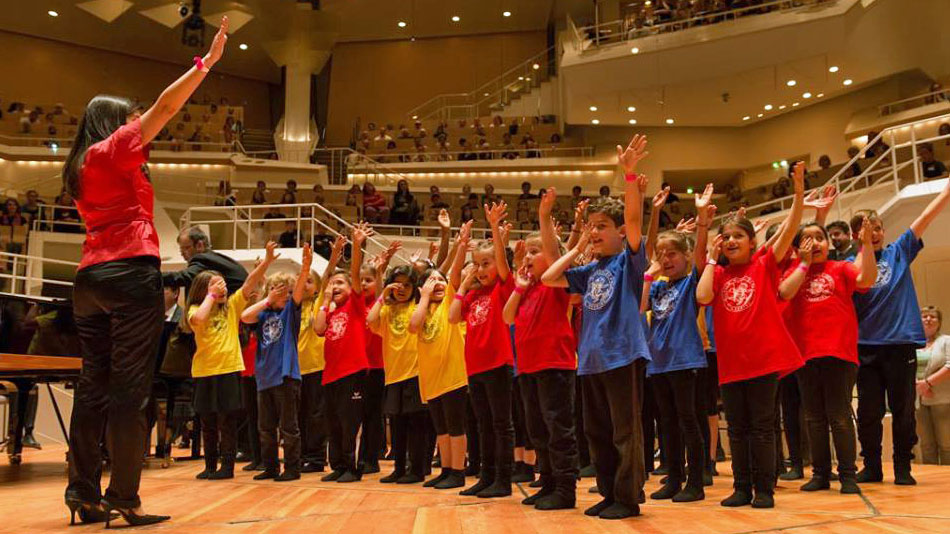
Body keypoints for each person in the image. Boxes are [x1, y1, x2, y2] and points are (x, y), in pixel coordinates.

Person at [60, 18, 229, 528]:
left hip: (89, 279)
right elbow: (167, 107)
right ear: (112, 123)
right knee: (130, 392)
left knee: (92, 387)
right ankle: (125, 498)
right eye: (129, 118)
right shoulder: (111, 151)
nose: (138, 123)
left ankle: (83, 492)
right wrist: (206, 64)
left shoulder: (79, 164)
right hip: (130, 273)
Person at [541, 134, 650, 520]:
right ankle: (608, 492)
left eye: (602, 226)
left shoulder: (629, 262)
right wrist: (572, 243)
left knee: (625, 432)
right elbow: (550, 277)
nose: (595, 232)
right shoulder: (589, 270)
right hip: (590, 361)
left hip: (623, 356)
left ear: (620, 232)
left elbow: (634, 220)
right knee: (597, 433)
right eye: (591, 227)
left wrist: (630, 176)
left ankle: (628, 497)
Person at [696, 161, 808, 509]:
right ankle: (741, 487)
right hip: (731, 364)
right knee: (738, 428)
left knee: (761, 426)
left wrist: (799, 192)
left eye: (738, 236)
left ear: (752, 242)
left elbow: (789, 229)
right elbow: (702, 296)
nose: (731, 241)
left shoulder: (764, 264)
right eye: (726, 237)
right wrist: (712, 260)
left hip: (762, 362)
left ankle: (764, 489)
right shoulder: (718, 274)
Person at [849, 177, 950, 485]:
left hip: (900, 345)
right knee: (868, 412)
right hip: (865, 348)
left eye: (878, 228)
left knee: (903, 410)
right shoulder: (849, 265)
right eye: (866, 229)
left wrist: (946, 193)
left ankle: (903, 466)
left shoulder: (899, 251)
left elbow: (924, 218)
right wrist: (865, 246)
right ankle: (872, 465)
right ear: (855, 235)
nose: (874, 233)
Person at [778, 217, 876, 494]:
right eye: (807, 240)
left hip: (839, 353)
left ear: (829, 243)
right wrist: (803, 263)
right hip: (805, 355)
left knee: (839, 415)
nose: (815, 244)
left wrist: (866, 245)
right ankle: (820, 474)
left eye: (820, 238)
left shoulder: (840, 267)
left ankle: (848, 475)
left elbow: (866, 279)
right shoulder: (793, 271)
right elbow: (784, 293)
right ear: (797, 248)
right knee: (813, 417)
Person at [503, 188, 579, 510]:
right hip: (528, 368)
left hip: (555, 366)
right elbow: (507, 317)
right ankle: (547, 483)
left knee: (558, 428)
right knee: (537, 430)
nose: (528, 257)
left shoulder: (556, 284)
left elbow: (553, 250)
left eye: (535, 252)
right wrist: (519, 289)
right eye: (527, 252)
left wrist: (544, 216)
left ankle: (565, 489)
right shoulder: (527, 288)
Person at [638, 184, 712, 504]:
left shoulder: (690, 282)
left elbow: (701, 254)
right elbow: (640, 306)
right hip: (658, 364)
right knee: (666, 423)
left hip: (685, 361)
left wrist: (702, 219)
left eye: (672, 254)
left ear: (685, 256)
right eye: (661, 255)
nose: (666, 259)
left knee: (688, 422)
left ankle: (695, 482)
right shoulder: (658, 286)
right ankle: (674, 478)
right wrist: (649, 275)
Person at [187, 242, 275, 482]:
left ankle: (227, 466)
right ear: (203, 290)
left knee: (227, 420)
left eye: (223, 284)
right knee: (207, 421)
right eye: (216, 285)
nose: (222, 288)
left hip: (228, 369)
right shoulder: (195, 307)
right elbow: (199, 319)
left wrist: (267, 262)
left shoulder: (232, 306)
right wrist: (211, 295)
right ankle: (209, 465)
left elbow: (249, 284)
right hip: (204, 371)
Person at [240, 244, 313, 481]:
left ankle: (292, 468)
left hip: (286, 377)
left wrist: (305, 268)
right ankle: (270, 467)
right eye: (277, 291)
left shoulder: (290, 311)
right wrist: (267, 300)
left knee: (288, 427)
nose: (284, 295)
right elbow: (245, 316)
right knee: (265, 428)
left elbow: (299, 291)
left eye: (287, 291)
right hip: (264, 378)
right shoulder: (262, 313)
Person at [314, 222, 373, 483]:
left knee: (350, 423)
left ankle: (352, 467)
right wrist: (325, 300)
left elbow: (356, 274)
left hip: (353, 372)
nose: (335, 287)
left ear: (351, 288)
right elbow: (318, 329)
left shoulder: (356, 306)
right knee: (334, 423)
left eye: (340, 283)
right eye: (331, 284)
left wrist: (356, 245)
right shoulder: (331, 310)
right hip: (331, 375)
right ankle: (337, 465)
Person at [367, 265, 430, 484]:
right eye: (397, 284)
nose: (402, 288)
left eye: (407, 284)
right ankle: (399, 468)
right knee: (397, 425)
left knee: (416, 425)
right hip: (393, 375)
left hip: (415, 373)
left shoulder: (417, 306)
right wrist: (383, 296)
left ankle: (417, 470)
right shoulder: (387, 310)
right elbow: (371, 320)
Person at [163, 227, 248, 295]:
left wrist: (157, 276)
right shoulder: (213, 258)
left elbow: (185, 277)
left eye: (186, 248)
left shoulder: (202, 259)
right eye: (181, 249)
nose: (182, 253)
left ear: (199, 245)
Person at [916, 306, 950, 465]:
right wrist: (920, 387)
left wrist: (928, 383)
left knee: (946, 444)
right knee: (926, 445)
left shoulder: (946, 341)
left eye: (933, 316)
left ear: (939, 322)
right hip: (918, 399)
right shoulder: (913, 342)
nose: (928, 319)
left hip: (942, 398)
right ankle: (931, 475)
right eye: (924, 316)